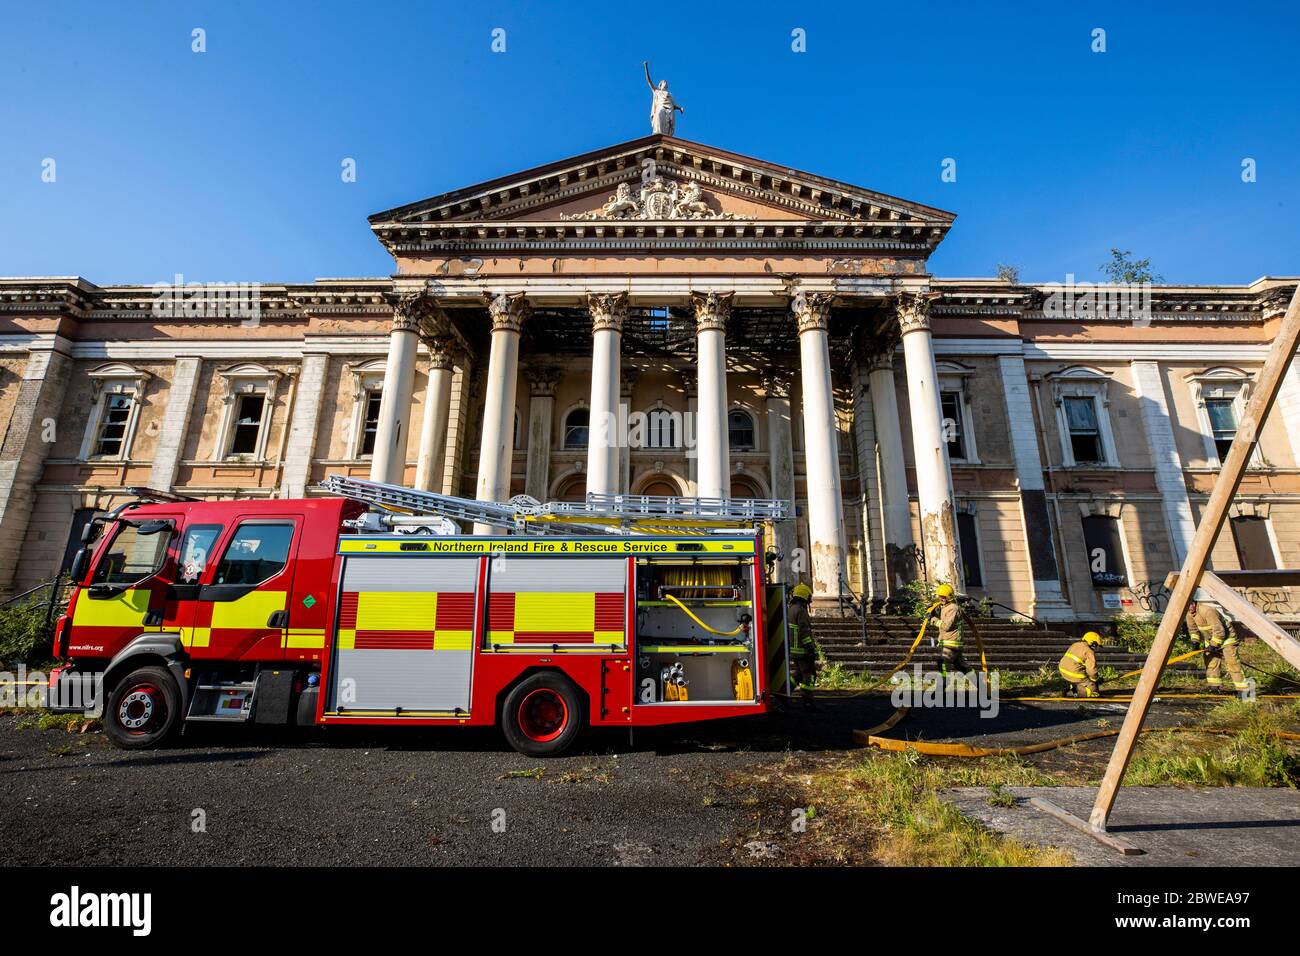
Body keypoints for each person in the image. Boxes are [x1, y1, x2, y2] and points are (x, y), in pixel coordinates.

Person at [1185, 599, 1248, 693]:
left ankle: (1242, 690)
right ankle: (1214, 687)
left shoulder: (1207, 611)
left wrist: (1214, 645)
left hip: (1227, 639)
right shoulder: (1189, 614)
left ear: (1193, 604)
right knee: (1211, 664)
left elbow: (1219, 631)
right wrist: (1195, 642)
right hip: (1211, 640)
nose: (1188, 610)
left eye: (1189, 606)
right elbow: (1193, 630)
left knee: (1233, 664)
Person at [931, 583, 972, 678]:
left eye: (943, 597)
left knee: (943, 663)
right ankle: (981, 686)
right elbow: (942, 619)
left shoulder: (953, 608)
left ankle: (942, 689)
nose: (940, 598)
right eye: (939, 596)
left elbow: (946, 626)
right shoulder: (945, 607)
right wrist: (932, 612)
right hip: (948, 642)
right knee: (962, 667)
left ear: (948, 597)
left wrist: (932, 619)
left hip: (951, 643)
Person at [788, 583, 817, 687]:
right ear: (805, 596)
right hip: (802, 650)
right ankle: (807, 700)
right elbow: (804, 632)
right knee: (809, 675)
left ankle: (785, 691)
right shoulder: (800, 611)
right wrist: (810, 648)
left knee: (799, 674)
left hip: (794, 650)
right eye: (809, 596)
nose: (810, 600)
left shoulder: (791, 609)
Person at [1059, 631, 1102, 698]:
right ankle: (1075, 689)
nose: (1096, 648)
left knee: (1085, 677)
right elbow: (1092, 670)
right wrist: (1094, 680)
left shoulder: (1076, 644)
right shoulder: (1089, 651)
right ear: (1093, 643)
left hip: (1063, 670)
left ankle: (1070, 684)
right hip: (1074, 673)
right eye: (1096, 645)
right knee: (1093, 693)